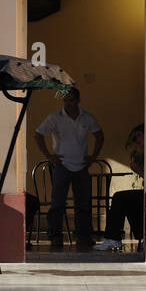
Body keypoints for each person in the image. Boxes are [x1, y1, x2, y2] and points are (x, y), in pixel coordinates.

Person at [33, 87, 103, 250]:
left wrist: (93, 156)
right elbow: (38, 134)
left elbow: (99, 135)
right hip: (62, 166)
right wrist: (49, 156)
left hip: (81, 166)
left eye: (71, 100)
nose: (68, 104)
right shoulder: (55, 118)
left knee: (83, 204)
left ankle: (83, 237)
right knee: (57, 203)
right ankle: (55, 236)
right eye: (65, 100)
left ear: (78, 100)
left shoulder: (86, 117)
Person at [97, 124, 146, 253]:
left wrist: (139, 170)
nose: (137, 141)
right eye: (135, 139)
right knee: (125, 199)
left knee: (121, 197)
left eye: (139, 136)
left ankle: (114, 237)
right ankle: (118, 238)